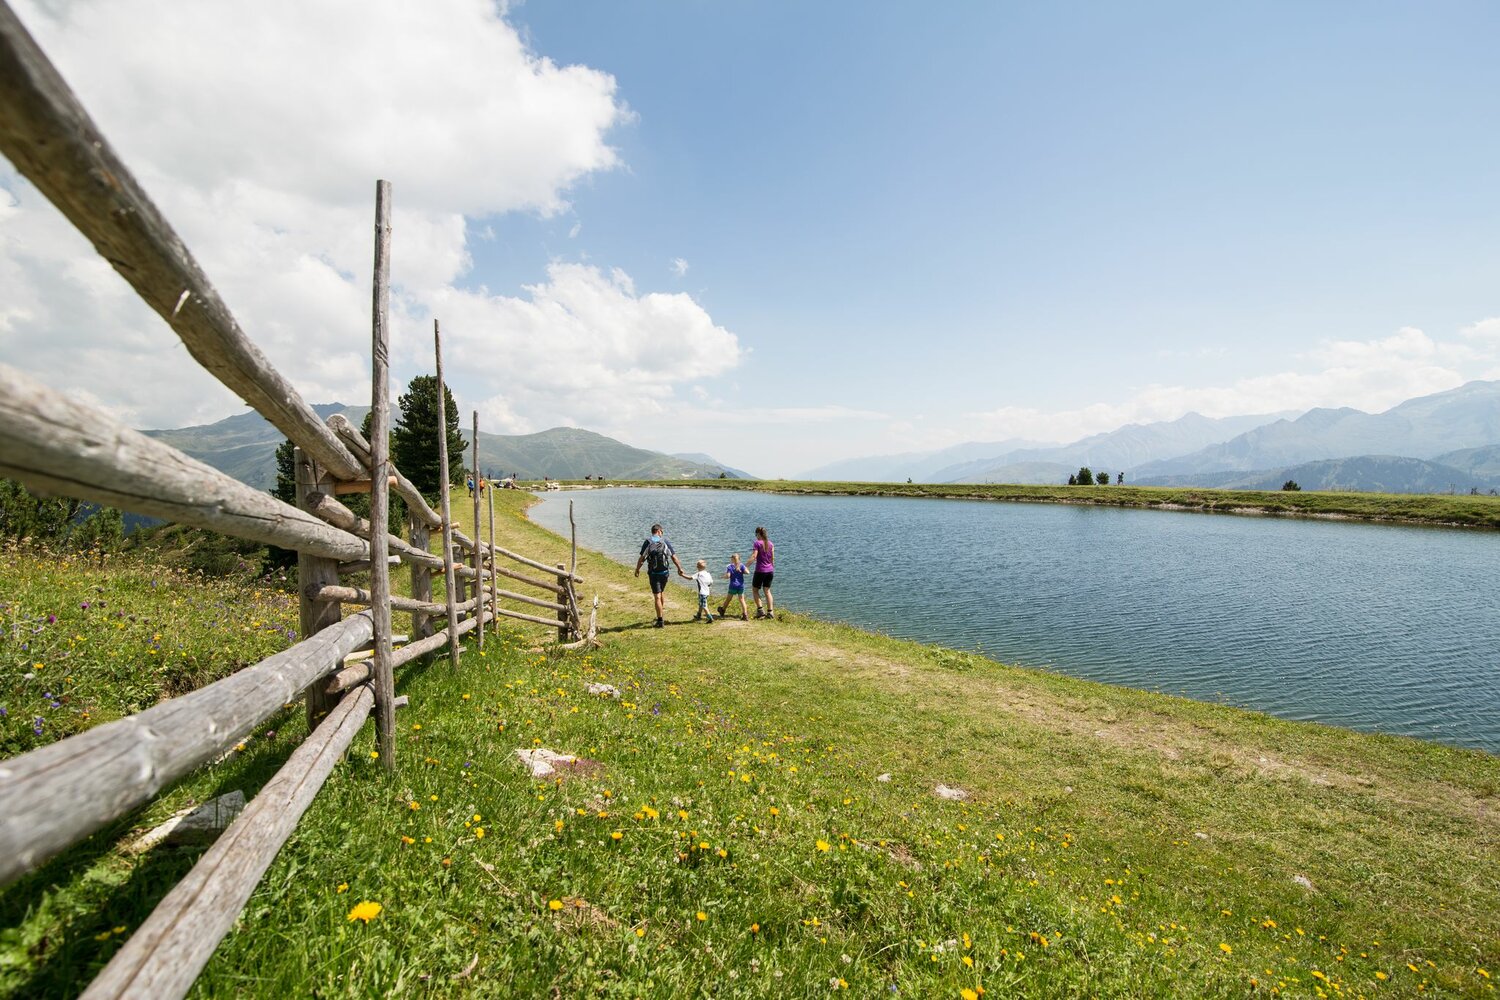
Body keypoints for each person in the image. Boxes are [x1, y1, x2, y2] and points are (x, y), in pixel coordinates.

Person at [634, 523, 686, 628]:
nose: (662, 533)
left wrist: (637, 569)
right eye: (662, 532)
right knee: (661, 592)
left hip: (653, 573)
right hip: (665, 573)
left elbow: (642, 558)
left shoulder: (648, 542)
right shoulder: (665, 541)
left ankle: (660, 620)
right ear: (658, 531)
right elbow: (674, 557)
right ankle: (660, 615)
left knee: (657, 596)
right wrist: (679, 568)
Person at [750, 525, 775, 619]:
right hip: (770, 570)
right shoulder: (771, 544)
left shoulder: (757, 543)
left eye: (756, 534)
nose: (756, 536)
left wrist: (746, 566)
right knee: (767, 591)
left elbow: (754, 556)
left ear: (758, 534)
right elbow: (772, 558)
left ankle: (760, 611)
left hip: (760, 570)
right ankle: (770, 612)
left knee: (755, 590)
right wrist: (771, 567)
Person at [717, 553, 749, 620]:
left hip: (733, 586)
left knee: (728, 599)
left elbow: (728, 576)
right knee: (742, 600)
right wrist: (742, 571)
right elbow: (747, 572)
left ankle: (722, 610)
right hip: (740, 586)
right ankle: (745, 615)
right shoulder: (741, 565)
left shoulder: (730, 566)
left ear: (732, 559)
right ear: (739, 559)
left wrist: (723, 576)